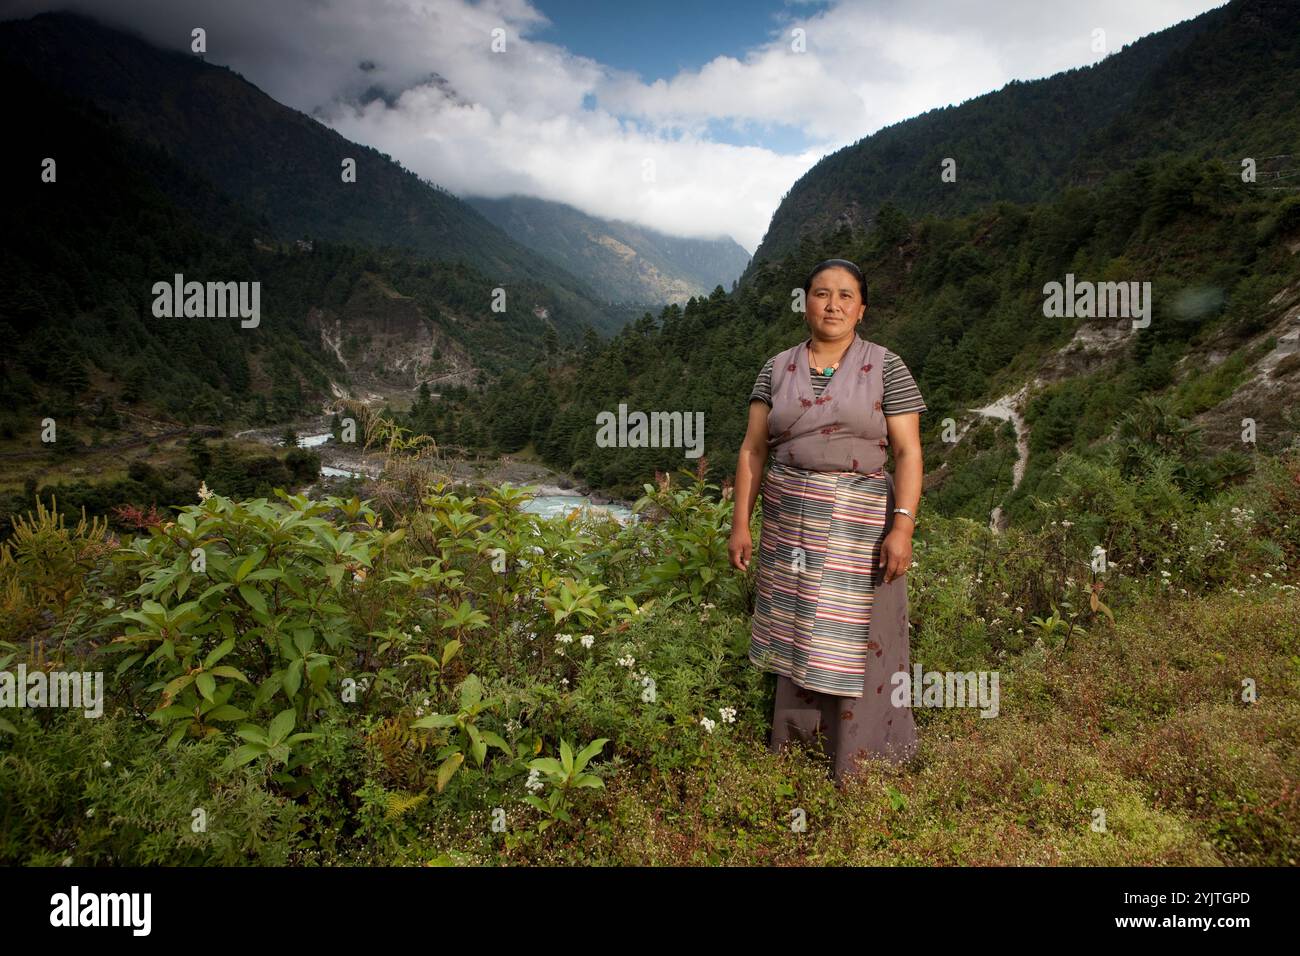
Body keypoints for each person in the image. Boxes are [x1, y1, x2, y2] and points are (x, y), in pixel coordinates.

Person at [728, 258, 926, 785]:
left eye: (845, 295)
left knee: (860, 637)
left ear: (862, 308)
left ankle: (864, 762)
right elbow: (752, 450)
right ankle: (797, 752)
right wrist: (740, 524)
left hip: (863, 523)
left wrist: (902, 526)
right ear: (805, 303)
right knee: (799, 633)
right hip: (791, 518)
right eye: (820, 293)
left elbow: (908, 453)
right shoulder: (776, 368)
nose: (832, 304)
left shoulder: (887, 366)